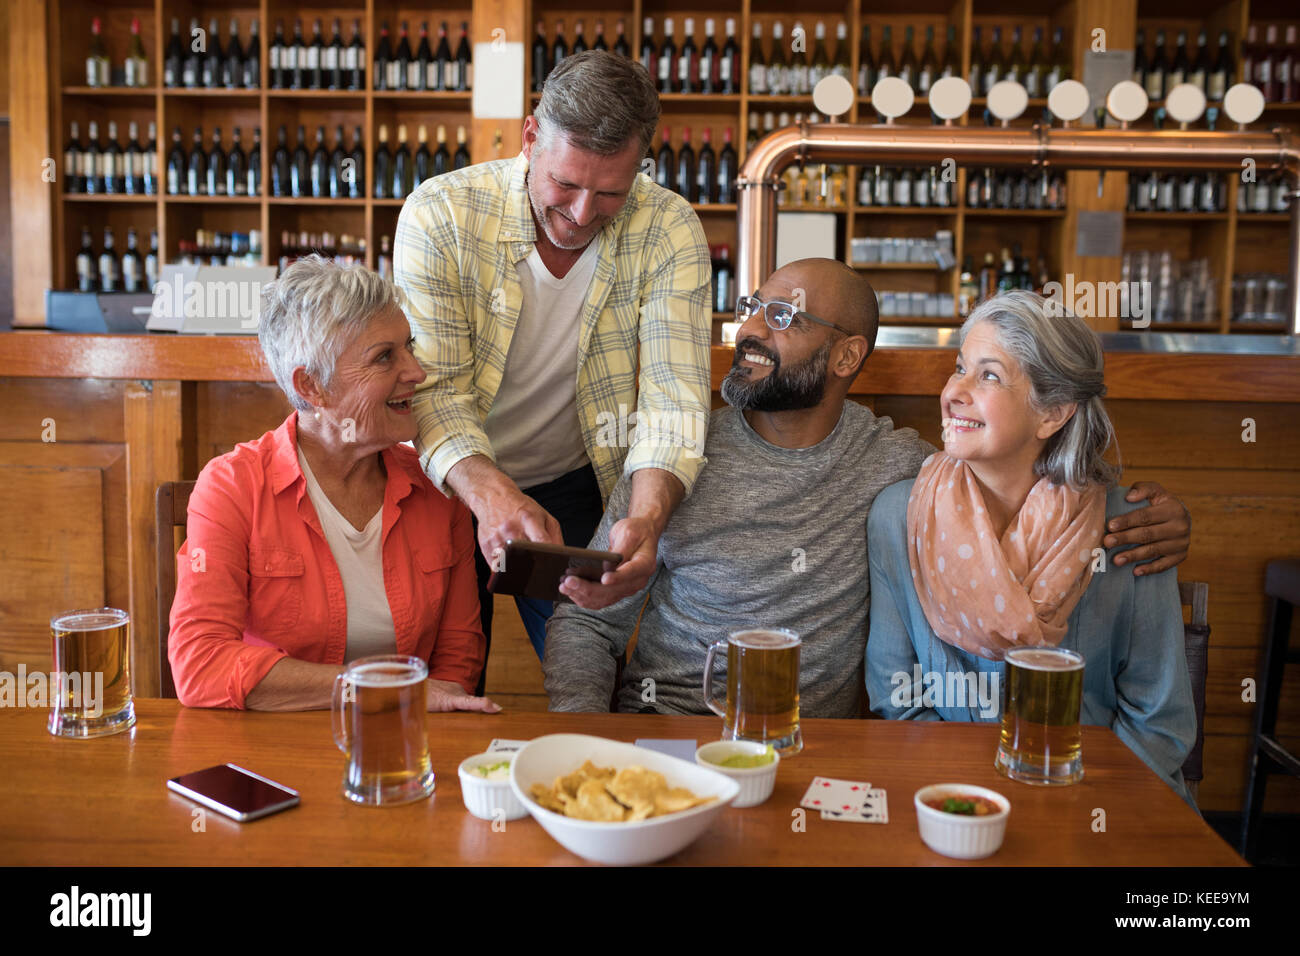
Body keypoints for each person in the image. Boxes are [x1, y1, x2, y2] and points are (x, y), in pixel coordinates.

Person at [545, 260, 1194, 716]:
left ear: (847, 356)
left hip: (807, 756)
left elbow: (1022, 478)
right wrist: (585, 733)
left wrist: (1157, 516)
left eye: (782, 316)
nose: (751, 331)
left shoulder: (902, 471)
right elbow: (587, 620)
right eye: (752, 309)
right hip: (667, 736)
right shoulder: (670, 459)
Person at [394, 50, 712, 674]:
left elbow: (673, 400)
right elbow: (435, 393)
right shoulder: (442, 214)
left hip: (575, 479)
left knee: (592, 673)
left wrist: (647, 517)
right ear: (531, 137)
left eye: (611, 192)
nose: (582, 214)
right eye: (565, 185)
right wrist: (491, 494)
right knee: (444, 684)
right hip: (449, 481)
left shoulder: (668, 227)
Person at [864, 290, 1196, 806]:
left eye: (989, 376)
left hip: (1099, 803)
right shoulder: (898, 516)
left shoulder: (1131, 527)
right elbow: (897, 700)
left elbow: (1160, 724)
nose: (953, 392)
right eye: (960, 368)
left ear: (1053, 413)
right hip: (952, 798)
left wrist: (1073, 807)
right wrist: (979, 802)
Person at [168, 256, 499, 713]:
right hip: (271, 743)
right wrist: (380, 691)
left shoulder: (437, 488)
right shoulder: (232, 487)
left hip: (402, 740)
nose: (417, 373)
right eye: (384, 356)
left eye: (409, 347)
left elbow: (457, 661)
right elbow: (201, 665)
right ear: (311, 387)